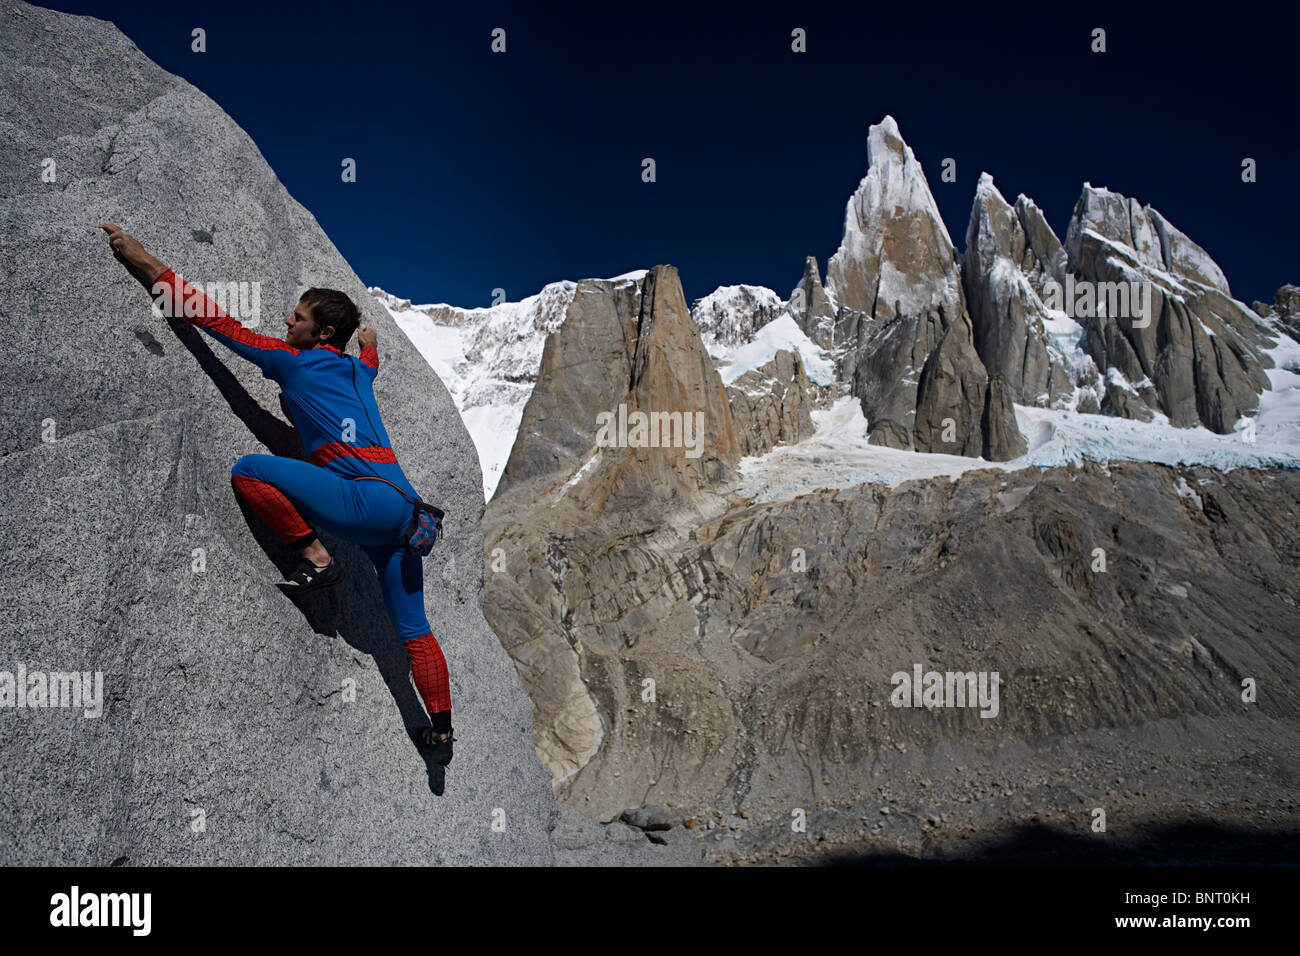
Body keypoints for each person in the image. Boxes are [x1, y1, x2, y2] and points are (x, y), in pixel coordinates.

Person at [99, 224, 455, 765]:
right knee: (415, 633)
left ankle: (317, 559)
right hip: (408, 514)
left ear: (321, 332)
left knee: (248, 470)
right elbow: (371, 360)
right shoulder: (359, 371)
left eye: (298, 317)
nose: (287, 321)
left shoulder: (293, 359)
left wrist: (143, 260)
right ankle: (441, 734)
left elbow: (213, 319)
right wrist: (370, 342)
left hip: (362, 500)